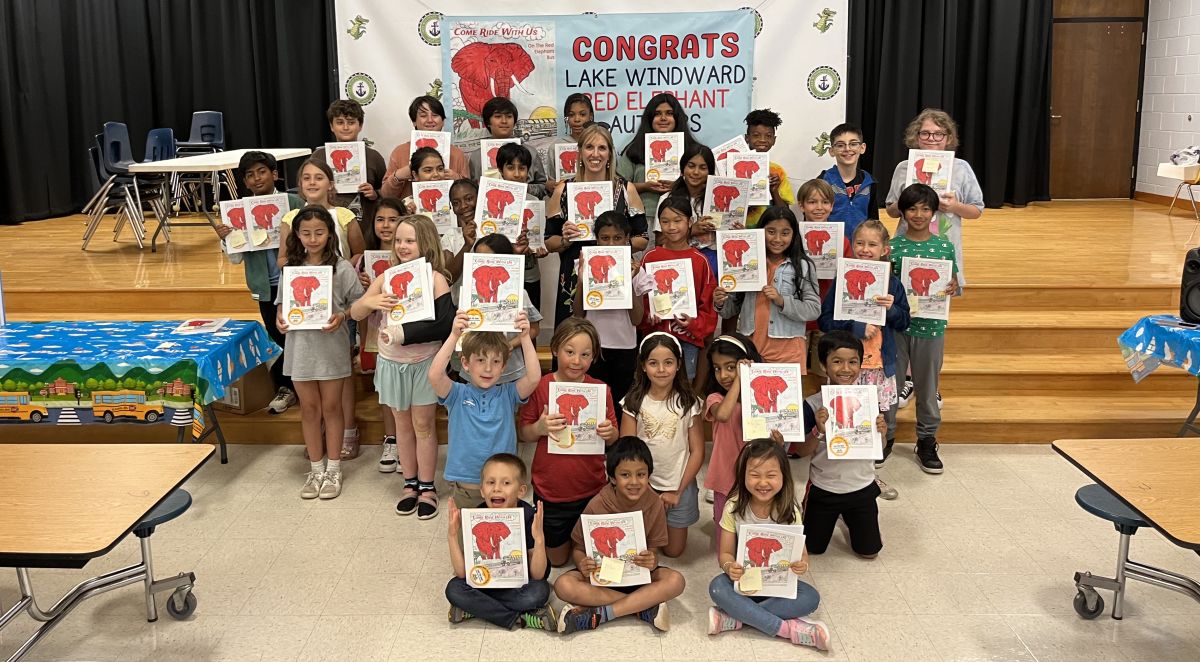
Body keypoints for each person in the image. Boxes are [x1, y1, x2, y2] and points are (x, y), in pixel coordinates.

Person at [349, 215, 454, 519]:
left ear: (425, 243)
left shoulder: (435, 278)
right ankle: (409, 484)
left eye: (410, 240)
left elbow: (444, 323)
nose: (403, 246)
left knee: (423, 425)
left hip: (424, 363)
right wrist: (372, 303)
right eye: (399, 240)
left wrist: (403, 333)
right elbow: (355, 311)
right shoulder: (387, 277)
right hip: (391, 362)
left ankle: (427, 487)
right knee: (402, 426)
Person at [277, 158, 366, 459]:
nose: (312, 239)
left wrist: (342, 315)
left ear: (329, 233)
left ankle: (334, 464)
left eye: (319, 233)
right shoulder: (292, 268)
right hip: (301, 347)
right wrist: (281, 320)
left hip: (332, 343)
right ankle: (316, 465)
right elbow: (282, 307)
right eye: (306, 234)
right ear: (297, 235)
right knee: (311, 408)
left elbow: (356, 303)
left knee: (332, 405)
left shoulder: (341, 267)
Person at [818, 219, 911, 499]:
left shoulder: (893, 283)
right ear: (852, 245)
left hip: (879, 367)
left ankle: (869, 476)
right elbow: (824, 319)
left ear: (885, 248)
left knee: (873, 422)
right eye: (860, 243)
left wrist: (892, 309)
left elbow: (905, 321)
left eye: (872, 244)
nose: (865, 249)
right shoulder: (841, 277)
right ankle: (837, 475)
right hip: (845, 367)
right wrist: (856, 327)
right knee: (843, 416)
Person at [554, 436, 685, 633]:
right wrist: (582, 562)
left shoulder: (654, 504)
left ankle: (604, 613)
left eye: (641, 474)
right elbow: (579, 548)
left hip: (638, 576)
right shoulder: (597, 505)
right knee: (563, 585)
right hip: (603, 579)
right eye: (625, 475)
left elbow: (653, 549)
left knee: (676, 581)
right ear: (613, 478)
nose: (634, 482)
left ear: (649, 475)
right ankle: (641, 607)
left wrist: (652, 559)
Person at [708, 439, 829, 650]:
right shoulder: (733, 507)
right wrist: (729, 567)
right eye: (754, 475)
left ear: (784, 476)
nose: (763, 483)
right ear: (742, 475)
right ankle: (787, 629)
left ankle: (737, 617)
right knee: (718, 587)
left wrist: (802, 565)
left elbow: (803, 556)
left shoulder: (790, 510)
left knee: (811, 597)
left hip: (778, 586)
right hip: (744, 582)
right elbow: (725, 554)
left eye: (771, 475)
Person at [518, 318, 620, 566]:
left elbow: (614, 434)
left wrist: (609, 434)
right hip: (551, 489)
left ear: (594, 356)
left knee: (589, 553)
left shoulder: (600, 390)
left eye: (585, 354)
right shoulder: (542, 387)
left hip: (592, 487)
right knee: (557, 560)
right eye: (570, 352)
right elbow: (523, 433)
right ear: (555, 349)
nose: (577, 361)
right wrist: (539, 428)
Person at [216, 151, 302, 415]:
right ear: (244, 181)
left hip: (297, 283)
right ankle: (285, 388)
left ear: (274, 174)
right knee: (276, 337)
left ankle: (307, 384)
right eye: (250, 175)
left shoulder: (293, 201)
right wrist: (226, 238)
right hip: (266, 288)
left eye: (261, 172)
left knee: (303, 335)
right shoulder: (237, 211)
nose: (257, 178)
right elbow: (235, 259)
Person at [429, 306, 541, 509]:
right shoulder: (457, 393)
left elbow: (533, 378)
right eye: (480, 360)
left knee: (503, 538)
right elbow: (435, 375)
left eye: (496, 361)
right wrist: (454, 335)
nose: (488, 368)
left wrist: (525, 338)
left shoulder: (508, 393)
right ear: (465, 363)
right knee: (469, 538)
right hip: (468, 487)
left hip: (503, 488)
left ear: (503, 366)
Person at [793, 331, 887, 558]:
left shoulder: (868, 400)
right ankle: (827, 515)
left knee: (869, 552)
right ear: (824, 366)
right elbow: (801, 451)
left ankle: (849, 518)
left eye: (853, 362)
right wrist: (818, 429)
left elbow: (879, 449)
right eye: (837, 361)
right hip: (825, 488)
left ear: (861, 364)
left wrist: (881, 434)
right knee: (813, 549)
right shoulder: (813, 405)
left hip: (862, 487)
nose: (846, 369)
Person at [546, 123, 648, 327]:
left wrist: (616, 244)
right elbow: (549, 242)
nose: (595, 154)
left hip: (614, 275)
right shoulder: (562, 191)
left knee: (613, 340)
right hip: (575, 274)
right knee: (573, 340)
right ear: (580, 152)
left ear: (610, 154)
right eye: (589, 147)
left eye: (602, 148)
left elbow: (643, 239)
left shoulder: (626, 190)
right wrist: (565, 240)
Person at [889, 184, 958, 474]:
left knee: (928, 388)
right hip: (895, 327)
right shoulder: (892, 248)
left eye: (925, 209)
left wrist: (953, 286)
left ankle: (927, 439)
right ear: (903, 212)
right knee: (890, 383)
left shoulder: (944, 246)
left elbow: (952, 280)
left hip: (930, 326)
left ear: (934, 212)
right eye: (912, 208)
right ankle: (886, 434)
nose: (918, 214)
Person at [445, 453, 556, 630]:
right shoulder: (476, 516)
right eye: (490, 482)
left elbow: (538, 574)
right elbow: (461, 572)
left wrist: (539, 539)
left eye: (506, 483)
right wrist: (452, 534)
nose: (496, 489)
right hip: (483, 583)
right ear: (481, 490)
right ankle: (519, 618)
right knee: (454, 588)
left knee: (540, 591)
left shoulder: (528, 516)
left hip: (518, 585)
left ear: (521, 490)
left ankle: (477, 609)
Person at [619, 333, 704, 558]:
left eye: (668, 362)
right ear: (644, 366)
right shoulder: (633, 401)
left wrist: (677, 490)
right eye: (653, 363)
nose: (661, 369)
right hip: (641, 485)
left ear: (678, 365)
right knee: (643, 547)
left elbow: (697, 451)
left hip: (679, 483)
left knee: (674, 551)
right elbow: (626, 450)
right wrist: (644, 489)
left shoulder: (688, 402)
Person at [885, 108, 983, 290]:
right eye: (925, 133)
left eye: (939, 134)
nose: (931, 138)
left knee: (937, 296)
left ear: (948, 138)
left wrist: (955, 206)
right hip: (907, 244)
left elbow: (976, 210)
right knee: (901, 295)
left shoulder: (962, 168)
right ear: (916, 136)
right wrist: (904, 202)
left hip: (944, 245)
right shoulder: (903, 168)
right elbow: (891, 211)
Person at [714, 206, 820, 370]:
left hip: (788, 352)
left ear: (794, 235)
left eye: (785, 233)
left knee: (787, 396)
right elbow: (730, 310)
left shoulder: (803, 265)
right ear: (760, 231)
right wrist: (720, 302)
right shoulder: (747, 264)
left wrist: (781, 300)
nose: (777, 239)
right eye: (770, 231)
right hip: (751, 351)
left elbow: (813, 309)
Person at [637, 196, 717, 381]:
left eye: (677, 221)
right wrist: (648, 316)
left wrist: (694, 323)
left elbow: (708, 305)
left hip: (687, 339)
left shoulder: (700, 260)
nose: (671, 227)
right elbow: (640, 296)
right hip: (655, 336)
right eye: (665, 222)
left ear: (690, 222)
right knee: (653, 385)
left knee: (684, 385)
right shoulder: (650, 257)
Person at [449, 234, 543, 385]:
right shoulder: (467, 294)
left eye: (490, 259)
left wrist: (510, 345)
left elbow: (534, 328)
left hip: (510, 371)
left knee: (509, 407)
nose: (484, 264)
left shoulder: (519, 294)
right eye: (478, 258)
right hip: (475, 370)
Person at [573, 211, 644, 405]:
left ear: (627, 239)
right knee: (594, 403)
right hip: (593, 346)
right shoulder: (584, 265)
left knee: (620, 402)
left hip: (624, 346)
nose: (611, 244)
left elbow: (637, 319)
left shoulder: (636, 270)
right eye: (605, 238)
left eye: (617, 238)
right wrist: (581, 282)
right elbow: (578, 315)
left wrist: (628, 280)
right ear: (596, 240)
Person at [701, 333, 765, 534]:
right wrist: (740, 378)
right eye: (717, 369)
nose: (724, 375)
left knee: (751, 525)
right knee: (725, 529)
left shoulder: (760, 398)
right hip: (726, 476)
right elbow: (723, 414)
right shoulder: (714, 398)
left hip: (756, 473)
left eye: (730, 367)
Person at [359, 197, 402, 471]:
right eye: (380, 219)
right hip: (376, 332)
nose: (386, 225)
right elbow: (358, 309)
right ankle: (392, 439)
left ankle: (407, 438)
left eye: (392, 219)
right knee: (385, 390)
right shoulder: (362, 259)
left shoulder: (413, 257)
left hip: (406, 333)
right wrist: (365, 287)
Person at [617, 93, 698, 232]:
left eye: (669, 113)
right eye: (657, 114)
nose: (663, 118)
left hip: (681, 220)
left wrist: (678, 185)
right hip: (644, 217)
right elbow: (618, 186)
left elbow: (703, 185)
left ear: (677, 118)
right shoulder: (634, 150)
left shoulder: (692, 150)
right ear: (650, 118)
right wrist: (645, 186)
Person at [310, 99, 387, 232]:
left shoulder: (374, 157)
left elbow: (386, 192)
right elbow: (306, 190)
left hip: (365, 228)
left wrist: (374, 194)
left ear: (360, 125)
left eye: (351, 122)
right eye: (340, 123)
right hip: (327, 228)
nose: (345, 127)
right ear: (331, 126)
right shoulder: (318, 156)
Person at [382, 95, 471, 201]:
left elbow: (469, 194)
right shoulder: (400, 152)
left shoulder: (456, 154)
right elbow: (385, 196)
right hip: (410, 216)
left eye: (435, 115)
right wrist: (398, 176)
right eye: (423, 116)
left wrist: (458, 179)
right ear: (414, 121)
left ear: (442, 121)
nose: (430, 120)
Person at [496, 142, 549, 309]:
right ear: (500, 171)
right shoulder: (490, 201)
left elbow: (540, 242)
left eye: (522, 168)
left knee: (531, 327)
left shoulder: (534, 203)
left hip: (530, 274)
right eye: (511, 168)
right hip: (500, 274)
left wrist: (540, 249)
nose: (517, 174)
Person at [468, 97, 548, 198]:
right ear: (488, 122)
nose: (504, 121)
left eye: (509, 116)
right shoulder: (477, 156)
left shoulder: (530, 152)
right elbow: (472, 190)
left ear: (514, 121)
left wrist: (525, 188)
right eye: (498, 116)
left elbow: (544, 188)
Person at [818, 122, 876, 239]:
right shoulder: (823, 181)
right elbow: (812, 218)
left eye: (853, 144)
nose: (847, 149)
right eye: (840, 145)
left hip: (859, 250)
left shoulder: (870, 182)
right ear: (831, 151)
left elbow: (873, 221)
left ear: (862, 148)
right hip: (830, 247)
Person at [668, 142, 718, 273]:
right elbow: (660, 240)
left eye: (703, 168)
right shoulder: (668, 199)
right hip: (679, 260)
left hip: (715, 261)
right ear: (682, 168)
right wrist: (692, 230)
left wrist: (737, 231)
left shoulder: (718, 198)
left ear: (710, 172)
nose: (696, 172)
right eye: (691, 166)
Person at [741, 108, 796, 229]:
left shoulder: (777, 171)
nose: (762, 140)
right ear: (747, 138)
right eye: (756, 135)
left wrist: (774, 190)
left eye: (768, 136)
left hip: (769, 235)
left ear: (774, 140)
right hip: (741, 230)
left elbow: (785, 213)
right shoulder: (733, 166)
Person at [532, 92, 595, 193]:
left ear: (590, 116)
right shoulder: (556, 147)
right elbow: (552, 181)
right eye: (571, 115)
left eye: (582, 114)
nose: (577, 119)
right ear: (566, 118)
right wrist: (550, 185)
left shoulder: (601, 145)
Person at [445, 179, 479, 284]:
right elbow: (447, 279)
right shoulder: (451, 235)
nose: (463, 206)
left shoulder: (496, 229)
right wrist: (467, 246)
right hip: (459, 299)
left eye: (469, 199)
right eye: (456, 203)